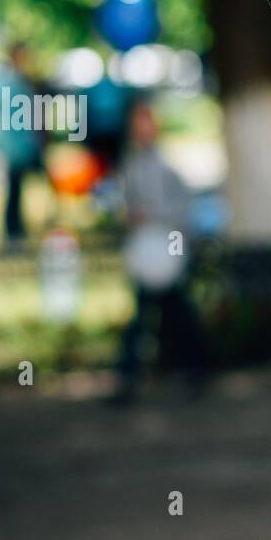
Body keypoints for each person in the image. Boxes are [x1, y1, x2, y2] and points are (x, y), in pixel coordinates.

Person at [111, 99, 207, 402]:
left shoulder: (165, 166)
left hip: (168, 253)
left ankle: (189, 370)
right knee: (160, 316)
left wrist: (151, 216)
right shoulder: (131, 164)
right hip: (149, 255)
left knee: (170, 315)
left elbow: (181, 210)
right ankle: (181, 371)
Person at [0, 42, 46, 250]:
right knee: (14, 191)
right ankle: (13, 234)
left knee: (16, 190)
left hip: (16, 145)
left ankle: (17, 232)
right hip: (15, 146)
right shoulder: (10, 82)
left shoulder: (7, 80)